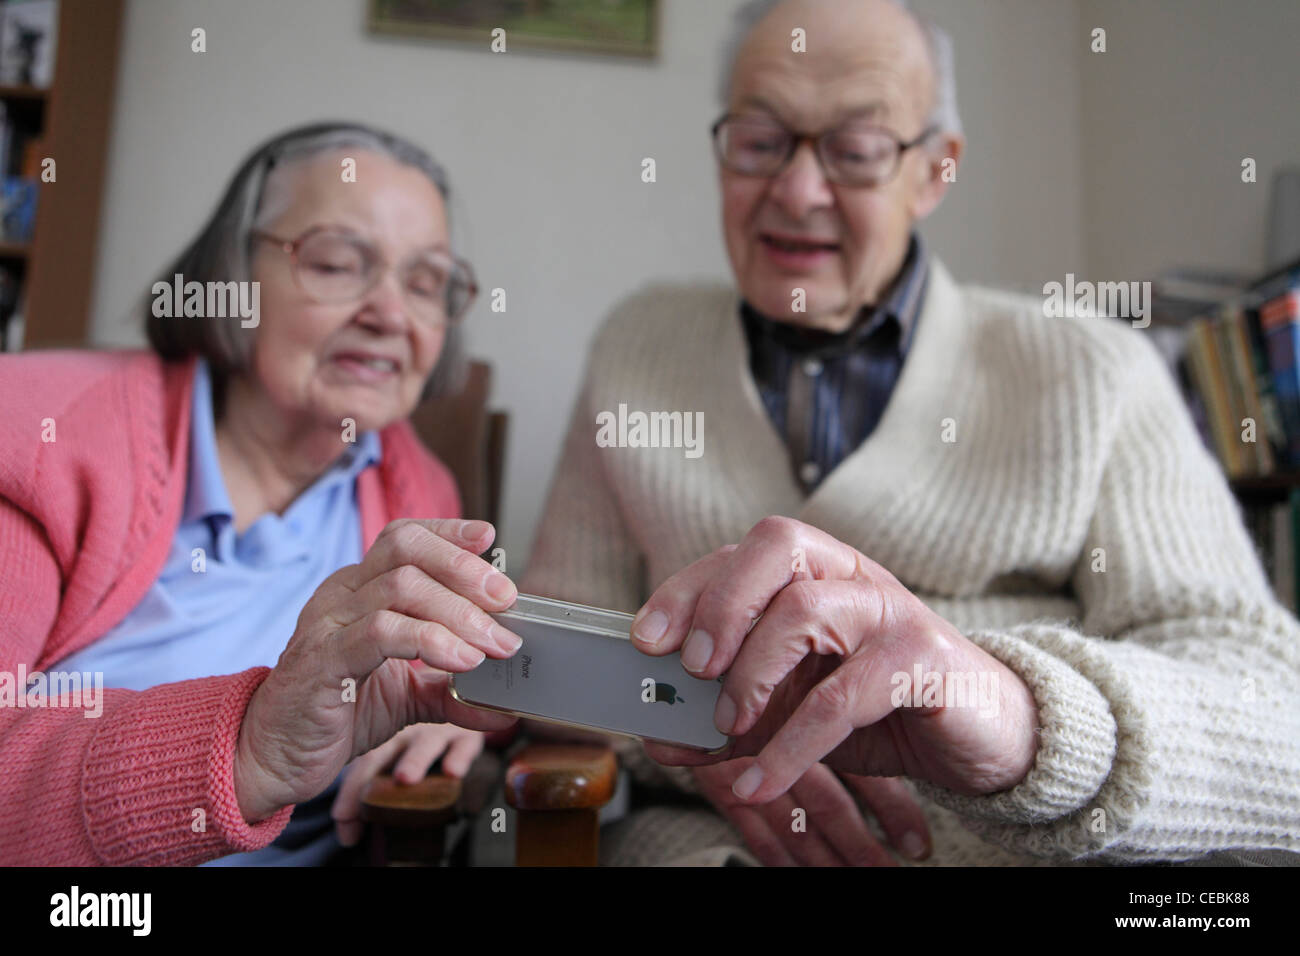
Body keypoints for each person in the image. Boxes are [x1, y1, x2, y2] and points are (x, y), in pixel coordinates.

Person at [522, 0, 1300, 866]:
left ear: (935, 171)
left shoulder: (1094, 369)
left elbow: (1271, 711)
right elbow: (545, 662)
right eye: (760, 142)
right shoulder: (636, 348)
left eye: (855, 151)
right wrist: (692, 722)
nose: (797, 191)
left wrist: (1023, 720)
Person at [0, 122, 522, 865]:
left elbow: (456, 685)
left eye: (426, 283)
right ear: (233, 274)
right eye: (337, 263)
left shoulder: (418, 489)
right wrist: (246, 750)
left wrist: (448, 716)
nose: (389, 314)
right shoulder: (39, 442)